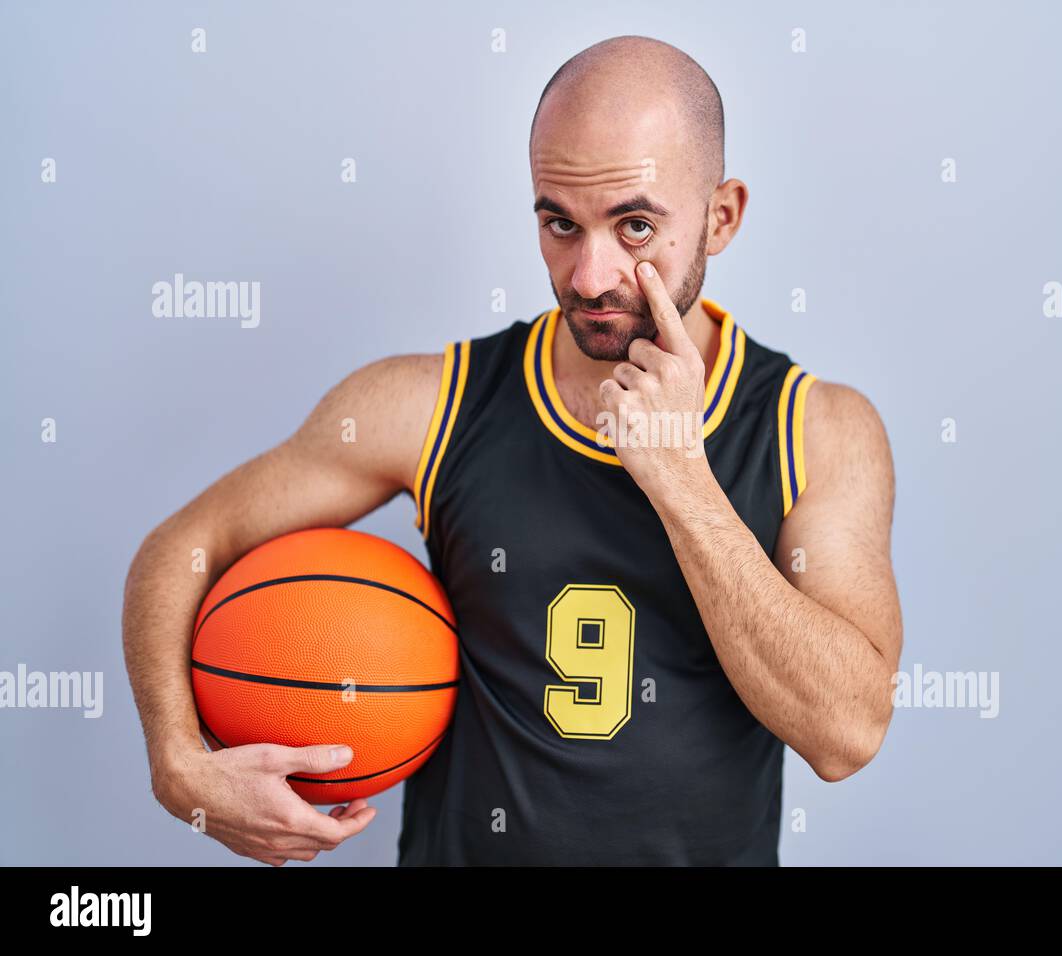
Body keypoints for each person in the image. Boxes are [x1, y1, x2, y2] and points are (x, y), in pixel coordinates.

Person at [124, 35, 903, 866]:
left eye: (634, 225)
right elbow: (183, 544)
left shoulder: (814, 429)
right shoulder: (433, 403)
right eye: (559, 223)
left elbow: (847, 733)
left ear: (722, 215)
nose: (590, 273)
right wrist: (177, 760)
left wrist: (683, 480)